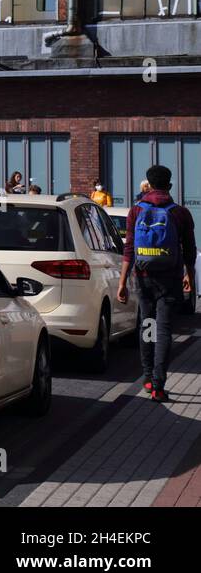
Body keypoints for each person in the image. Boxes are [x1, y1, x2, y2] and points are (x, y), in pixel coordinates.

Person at [116, 165, 196, 402]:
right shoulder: (180, 213)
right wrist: (189, 278)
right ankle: (159, 386)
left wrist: (122, 282)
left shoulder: (136, 210)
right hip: (169, 280)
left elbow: (128, 249)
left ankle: (148, 377)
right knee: (164, 331)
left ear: (148, 185)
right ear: (169, 185)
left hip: (144, 279)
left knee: (148, 325)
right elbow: (190, 252)